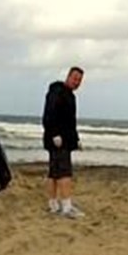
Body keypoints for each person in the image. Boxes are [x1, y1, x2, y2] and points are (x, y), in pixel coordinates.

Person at [42, 65, 84, 218]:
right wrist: (54, 134)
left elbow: (70, 122)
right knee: (65, 172)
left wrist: (76, 139)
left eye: (79, 80)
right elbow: (49, 114)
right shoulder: (57, 92)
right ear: (68, 77)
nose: (77, 82)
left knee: (54, 173)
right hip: (57, 140)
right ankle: (67, 207)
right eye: (75, 78)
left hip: (66, 139)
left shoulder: (71, 96)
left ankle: (53, 204)